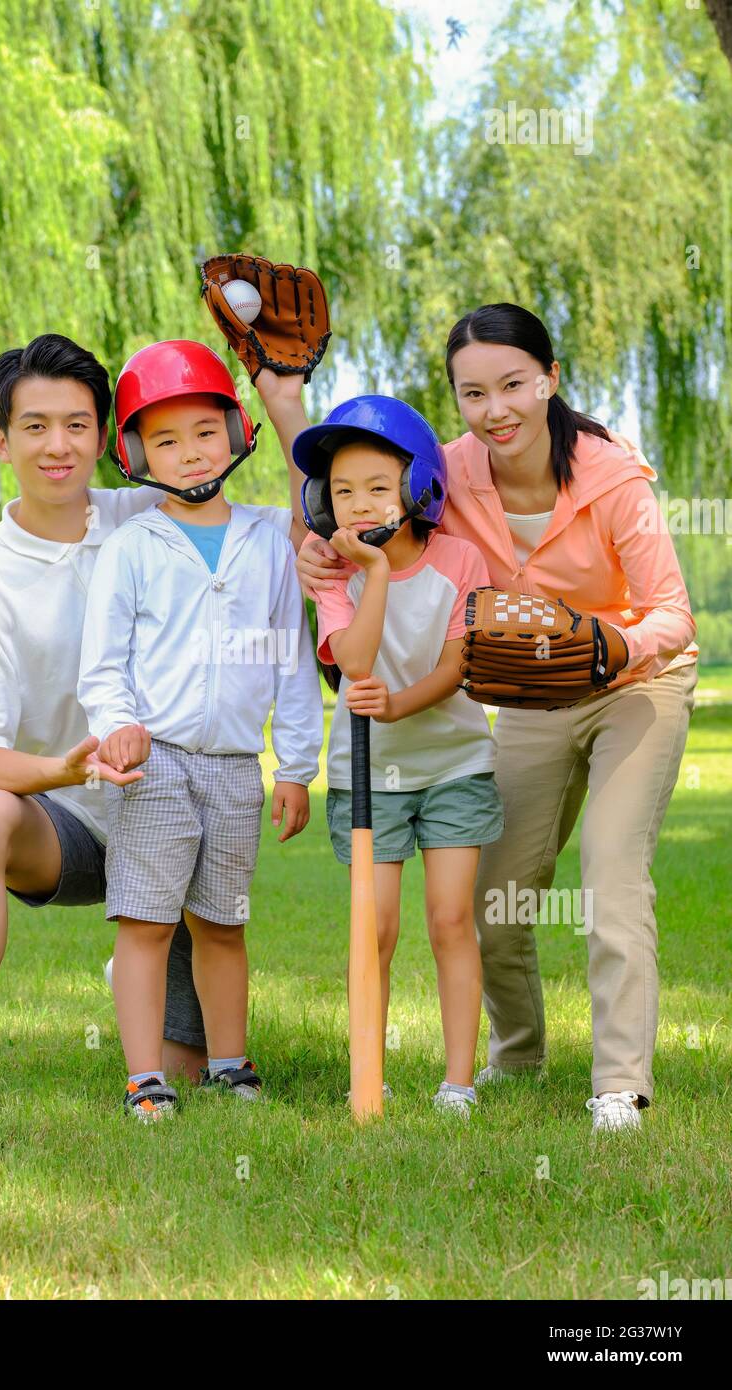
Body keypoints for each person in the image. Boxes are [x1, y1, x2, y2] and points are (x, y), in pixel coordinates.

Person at [293, 304, 697, 1133]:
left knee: (610, 868)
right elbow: (356, 488)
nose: (496, 409)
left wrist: (604, 645)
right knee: (499, 893)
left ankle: (618, 1083)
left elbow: (674, 614)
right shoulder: (440, 472)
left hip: (634, 680)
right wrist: (314, 540)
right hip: (534, 695)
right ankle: (515, 1057)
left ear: (549, 379)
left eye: (514, 384)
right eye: (473, 393)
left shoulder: (613, 477)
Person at [0, 334, 306, 1121]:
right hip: (67, 821)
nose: (57, 445)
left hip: (183, 804)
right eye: (34, 426)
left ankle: (156, 983)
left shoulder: (152, 510)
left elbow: (303, 538)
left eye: (76, 424)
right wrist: (74, 768)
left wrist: (280, 399)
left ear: (107, 439)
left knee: (187, 1065)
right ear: (1, 442)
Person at [78, 340, 322, 1122]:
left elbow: (290, 659)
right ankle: (144, 1076)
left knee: (222, 924)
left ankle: (228, 1063)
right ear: (135, 451)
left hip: (231, 768)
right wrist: (116, 726)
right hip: (157, 764)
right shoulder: (130, 548)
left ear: (238, 431)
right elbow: (103, 664)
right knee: (147, 924)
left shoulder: (270, 540)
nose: (188, 453)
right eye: (166, 439)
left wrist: (295, 766)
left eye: (204, 433)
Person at [293, 396, 502, 1118]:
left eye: (377, 488)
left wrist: (401, 703)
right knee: (374, 929)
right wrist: (370, 573)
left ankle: (457, 1082)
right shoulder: (332, 572)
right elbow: (352, 660)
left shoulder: (460, 560)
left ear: (419, 489)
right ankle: (368, 1073)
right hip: (368, 779)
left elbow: (457, 668)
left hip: (453, 766)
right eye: (341, 492)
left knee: (449, 920)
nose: (357, 505)